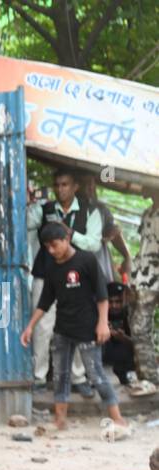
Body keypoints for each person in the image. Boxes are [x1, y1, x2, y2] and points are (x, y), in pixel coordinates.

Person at [19, 221, 129, 438]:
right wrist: (30, 327)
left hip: (88, 328)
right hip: (62, 329)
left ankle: (119, 419)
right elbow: (45, 301)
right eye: (47, 247)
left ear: (66, 239)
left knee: (96, 375)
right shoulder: (52, 267)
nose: (51, 251)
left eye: (54, 245)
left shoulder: (87, 260)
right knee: (60, 376)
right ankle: (60, 420)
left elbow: (102, 295)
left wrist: (102, 323)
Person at [27, 169, 106, 394]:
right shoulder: (44, 209)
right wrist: (30, 203)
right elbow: (25, 224)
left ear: (75, 187)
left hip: (77, 276)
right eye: (58, 184)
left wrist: (70, 234)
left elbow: (93, 244)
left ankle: (78, 377)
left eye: (65, 184)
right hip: (47, 273)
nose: (61, 189)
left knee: (80, 324)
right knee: (43, 326)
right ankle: (39, 376)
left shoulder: (90, 211)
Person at [131, 186, 159, 384]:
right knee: (139, 328)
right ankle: (150, 377)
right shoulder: (148, 213)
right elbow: (143, 246)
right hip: (146, 277)